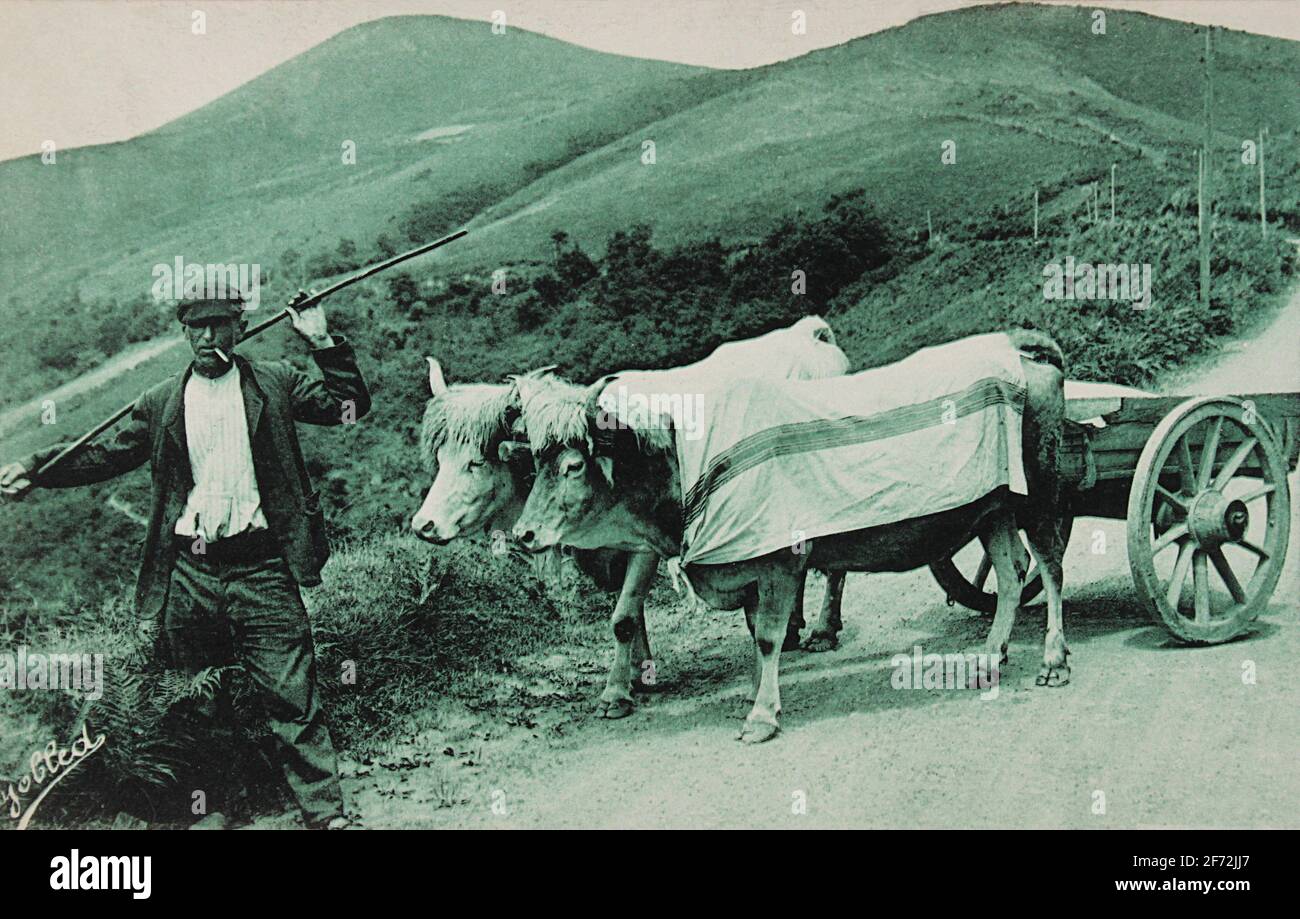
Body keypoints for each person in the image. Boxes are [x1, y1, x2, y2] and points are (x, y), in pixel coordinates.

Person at [0, 291, 370, 829]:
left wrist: (320, 339)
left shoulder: (275, 381)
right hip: (191, 572)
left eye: (219, 327)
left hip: (262, 565)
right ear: (184, 333)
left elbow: (350, 408)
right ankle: (212, 810)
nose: (206, 338)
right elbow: (106, 454)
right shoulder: (161, 402)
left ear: (239, 329)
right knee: (200, 701)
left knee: (291, 692)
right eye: (195, 328)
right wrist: (37, 468)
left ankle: (324, 813)